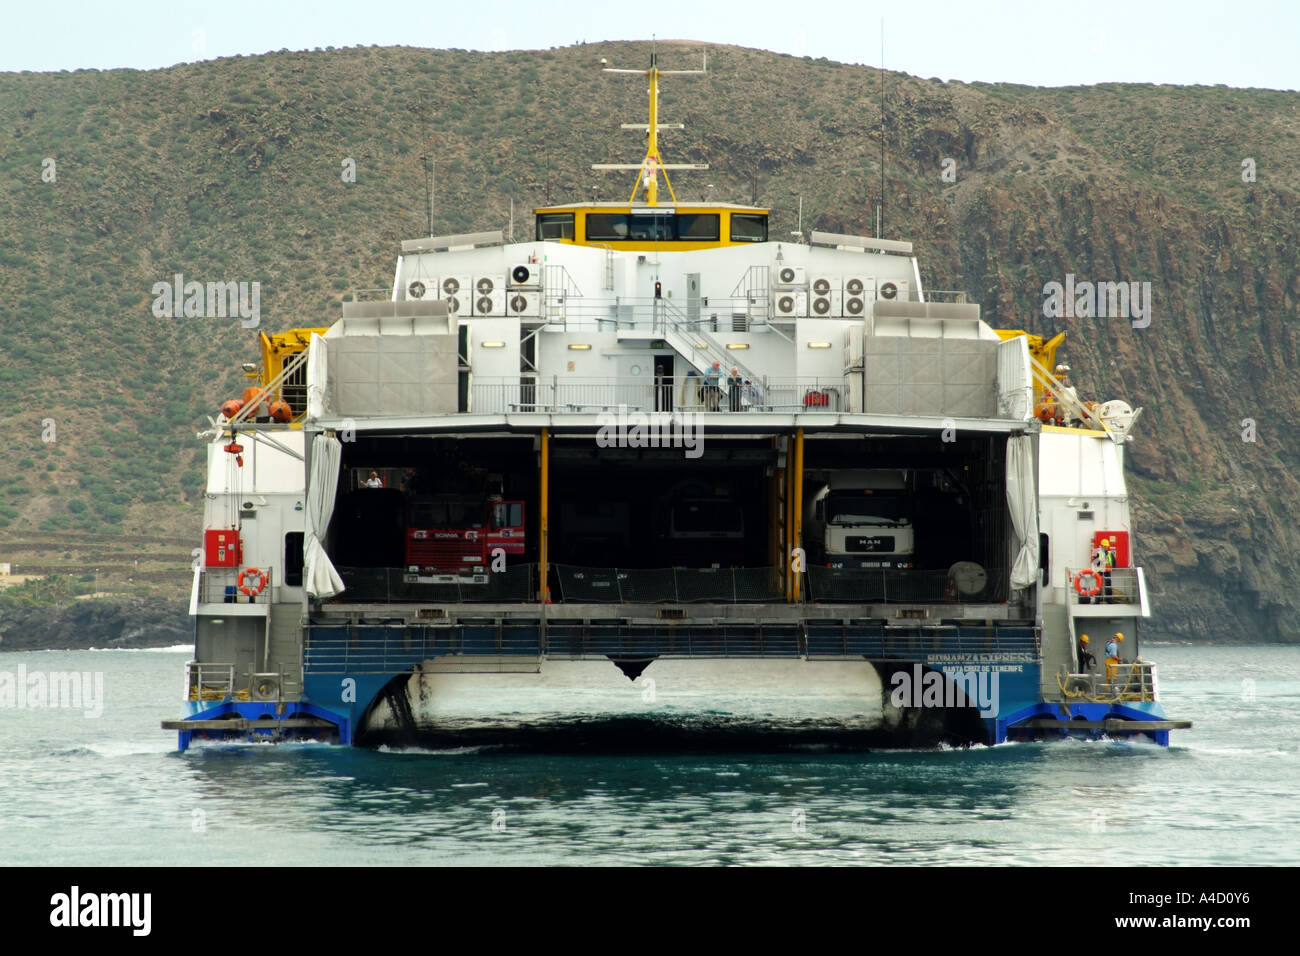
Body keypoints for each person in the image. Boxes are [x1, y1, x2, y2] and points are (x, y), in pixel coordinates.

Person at [1099, 537, 1116, 603]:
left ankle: (1109, 599)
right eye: (1105, 546)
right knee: (1099, 585)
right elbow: (1094, 562)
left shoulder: (1110, 553)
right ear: (1102, 546)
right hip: (1099, 571)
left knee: (1108, 585)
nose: (1106, 547)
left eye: (1106, 546)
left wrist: (1112, 568)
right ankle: (1098, 599)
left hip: (1107, 571)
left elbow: (1114, 562)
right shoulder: (1098, 553)